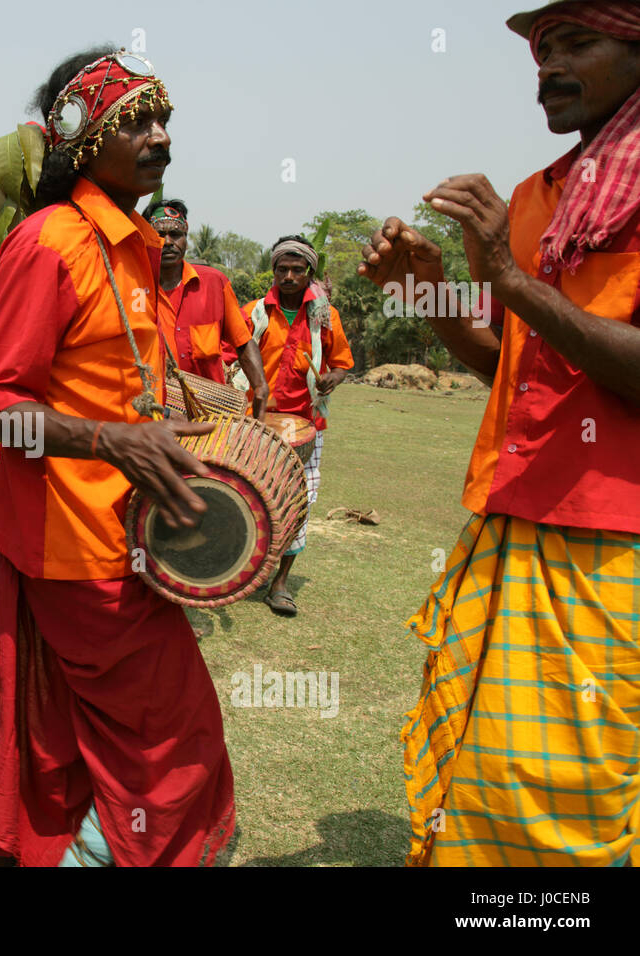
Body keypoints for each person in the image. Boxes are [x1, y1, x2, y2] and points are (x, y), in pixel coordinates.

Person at [0, 47, 235, 867]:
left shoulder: (135, 243)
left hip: (120, 534)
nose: (161, 138)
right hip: (76, 546)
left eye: (166, 119)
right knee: (175, 743)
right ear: (82, 138)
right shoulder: (48, 241)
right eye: (138, 121)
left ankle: (21, 849)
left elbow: (110, 384)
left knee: (70, 724)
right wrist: (111, 440)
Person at [360, 0, 640, 866]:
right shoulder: (536, 197)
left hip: (613, 544)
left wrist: (510, 277)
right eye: (541, 48)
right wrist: (428, 290)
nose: (548, 66)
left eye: (577, 42)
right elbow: (511, 371)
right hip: (515, 514)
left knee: (575, 803)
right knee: (493, 790)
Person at [239, 235, 353, 617]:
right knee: (247, 493)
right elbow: (228, 353)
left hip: (307, 423)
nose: (289, 276)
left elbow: (340, 364)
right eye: (282, 269)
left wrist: (331, 380)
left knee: (299, 500)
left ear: (309, 273)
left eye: (297, 270)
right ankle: (238, 569)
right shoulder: (253, 312)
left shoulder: (326, 316)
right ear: (272, 271)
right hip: (254, 422)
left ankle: (280, 584)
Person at [141, 198, 268, 413]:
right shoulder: (134, 286)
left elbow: (243, 342)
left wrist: (260, 387)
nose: (168, 242)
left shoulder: (214, 283)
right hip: (155, 414)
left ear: (186, 239)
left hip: (211, 411)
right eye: (160, 235)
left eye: (176, 234)